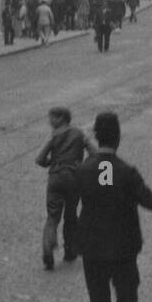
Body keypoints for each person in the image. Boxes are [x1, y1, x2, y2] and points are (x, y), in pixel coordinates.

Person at [71, 111, 152, 302]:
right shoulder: (126, 172)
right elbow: (151, 202)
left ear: (97, 137)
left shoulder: (84, 170)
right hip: (123, 248)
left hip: (93, 248)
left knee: (98, 299)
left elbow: (73, 199)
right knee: (127, 294)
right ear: (118, 137)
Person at [37, 106, 93, 271]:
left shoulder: (53, 137)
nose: (49, 121)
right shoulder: (80, 133)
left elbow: (39, 159)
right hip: (74, 178)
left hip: (55, 177)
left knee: (52, 216)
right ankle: (70, 250)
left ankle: (48, 246)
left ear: (61, 118)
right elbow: (95, 151)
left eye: (51, 118)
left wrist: (51, 163)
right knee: (71, 215)